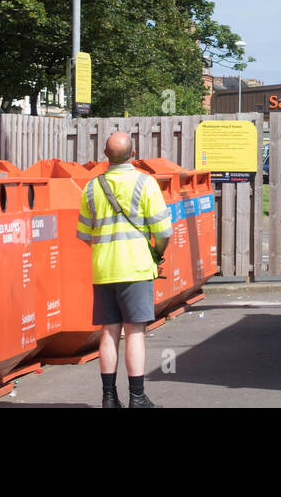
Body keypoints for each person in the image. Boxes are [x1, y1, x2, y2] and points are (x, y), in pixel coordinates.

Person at [76, 131, 173, 408]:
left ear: (105, 155)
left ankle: (108, 398)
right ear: (134, 153)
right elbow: (163, 231)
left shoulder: (92, 188)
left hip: (104, 269)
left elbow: (84, 234)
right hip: (136, 268)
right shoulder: (146, 183)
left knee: (108, 332)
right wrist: (157, 252)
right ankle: (137, 397)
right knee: (134, 333)